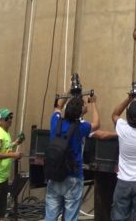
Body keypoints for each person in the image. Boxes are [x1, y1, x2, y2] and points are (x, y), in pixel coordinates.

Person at [90, 89, 136, 221]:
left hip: (123, 182)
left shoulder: (122, 128)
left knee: (119, 216)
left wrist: (129, 98)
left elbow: (115, 114)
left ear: (128, 116)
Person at [43, 93, 100, 221]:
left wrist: (69, 92)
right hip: (73, 177)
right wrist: (93, 103)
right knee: (71, 217)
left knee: (50, 216)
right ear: (80, 113)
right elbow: (96, 124)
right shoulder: (81, 127)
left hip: (54, 175)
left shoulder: (55, 121)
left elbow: (58, 106)